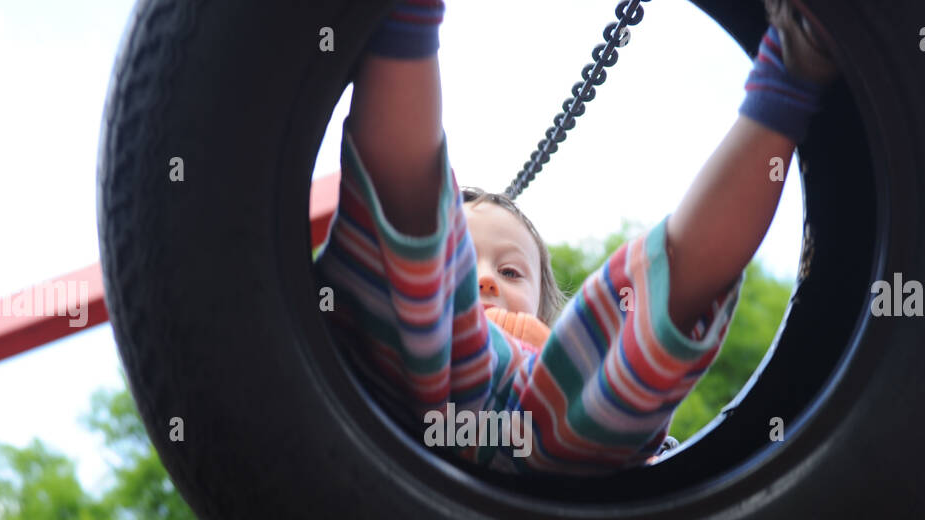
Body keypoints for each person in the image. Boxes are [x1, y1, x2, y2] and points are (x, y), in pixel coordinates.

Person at [314, 0, 838, 474]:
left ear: (547, 307)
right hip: (428, 382)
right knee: (406, 239)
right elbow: (422, 260)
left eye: (511, 270)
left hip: (558, 425)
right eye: (465, 259)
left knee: (648, 319)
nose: (487, 280)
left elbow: (599, 365)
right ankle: (405, 21)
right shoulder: (441, 315)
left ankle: (790, 72)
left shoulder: (558, 361)